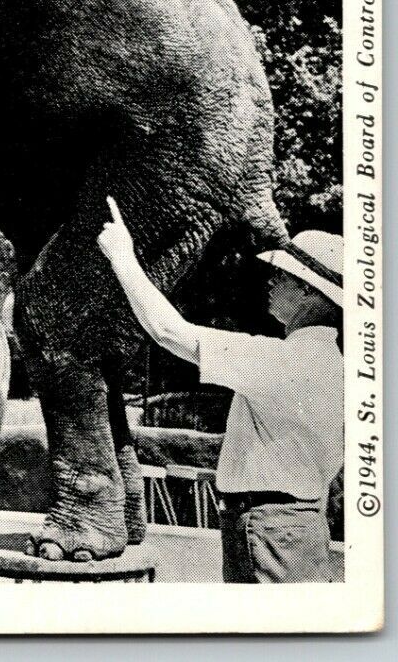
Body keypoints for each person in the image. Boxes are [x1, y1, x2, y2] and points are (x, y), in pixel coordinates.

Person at [96, 197, 343, 583]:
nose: (271, 280)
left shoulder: (284, 361)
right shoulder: (332, 363)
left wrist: (122, 256)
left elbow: (169, 331)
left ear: (312, 293)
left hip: (270, 528)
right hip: (302, 525)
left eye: (284, 275)